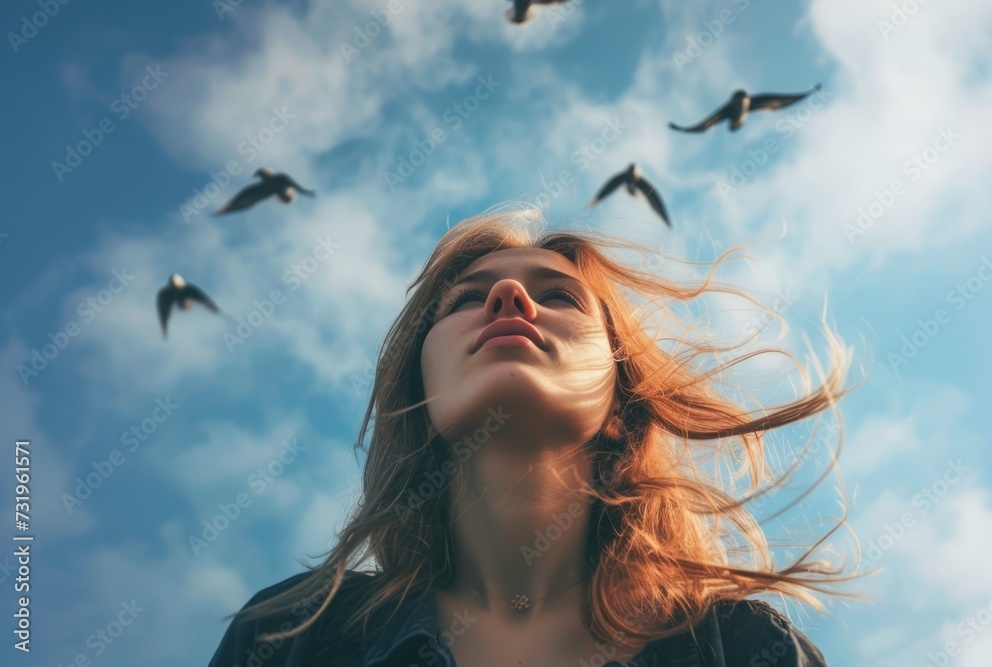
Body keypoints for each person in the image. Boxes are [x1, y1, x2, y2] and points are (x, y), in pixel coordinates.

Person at [207, 206, 858, 667]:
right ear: (420, 390)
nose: (510, 297)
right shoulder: (290, 635)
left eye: (561, 297)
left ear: (621, 405)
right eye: (466, 298)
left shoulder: (738, 647)